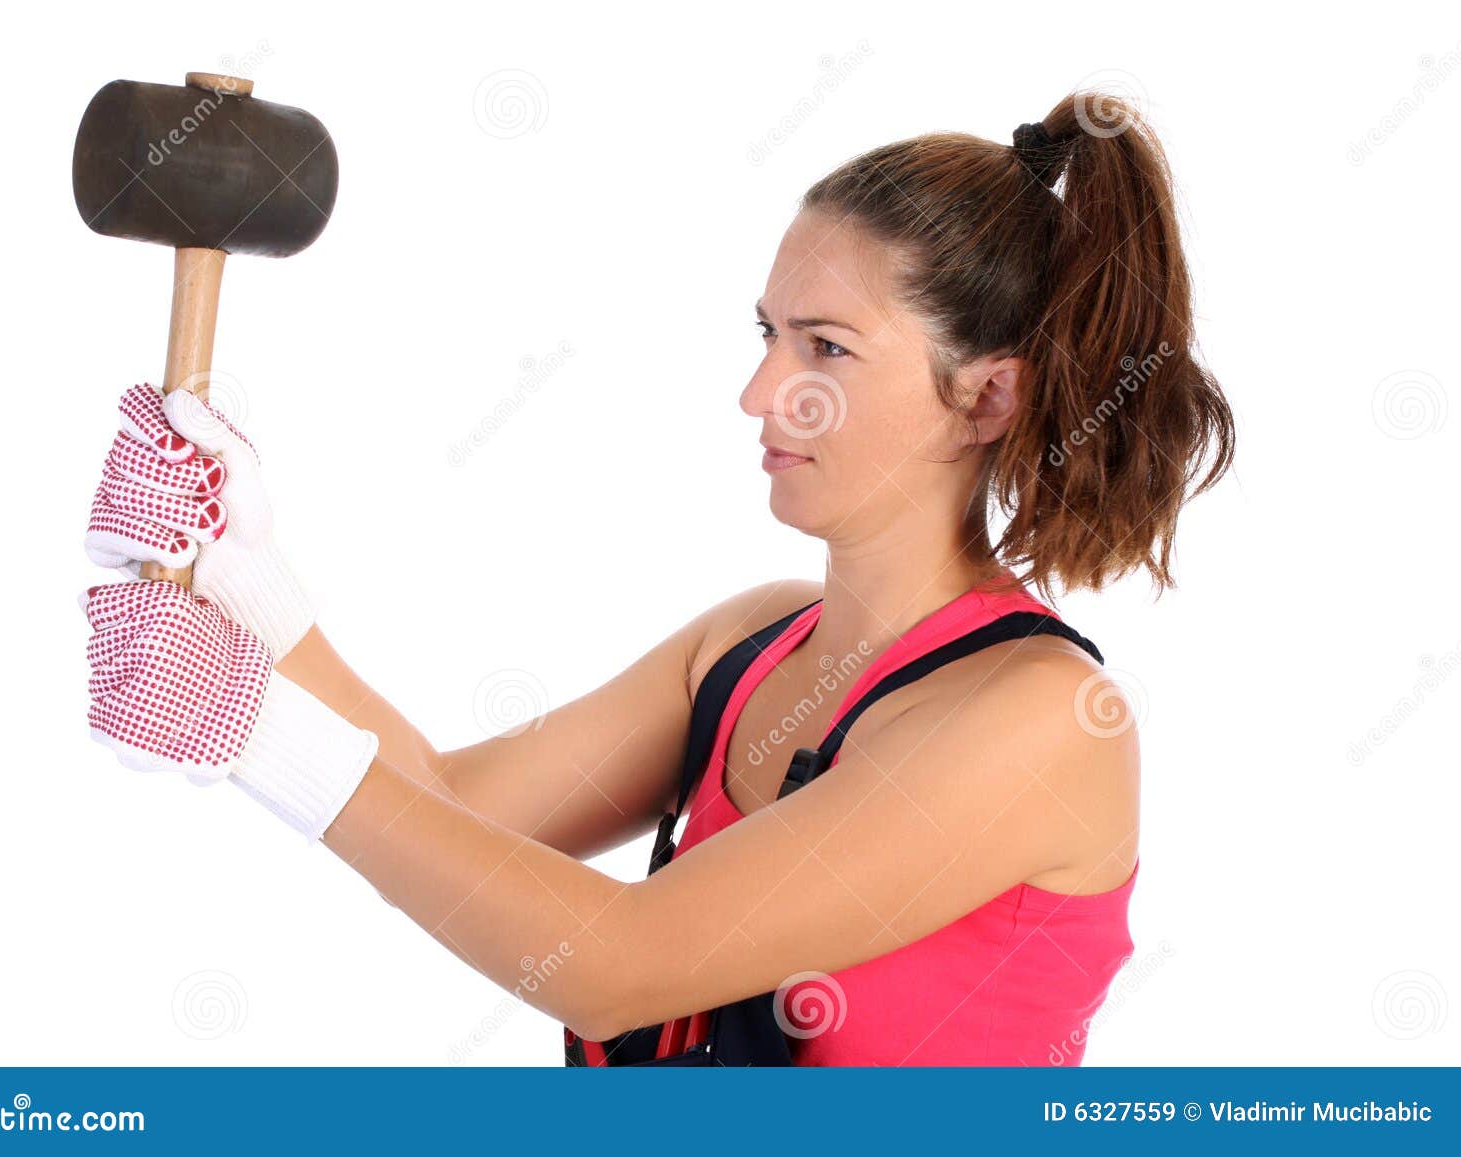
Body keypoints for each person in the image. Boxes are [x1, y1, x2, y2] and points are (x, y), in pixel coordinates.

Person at [79, 90, 1234, 1065]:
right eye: (766, 333)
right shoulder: (747, 644)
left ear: (987, 394)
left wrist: (251, 724)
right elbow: (458, 811)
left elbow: (614, 965)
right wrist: (252, 585)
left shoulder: (1039, 720)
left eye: (824, 347)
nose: (758, 391)